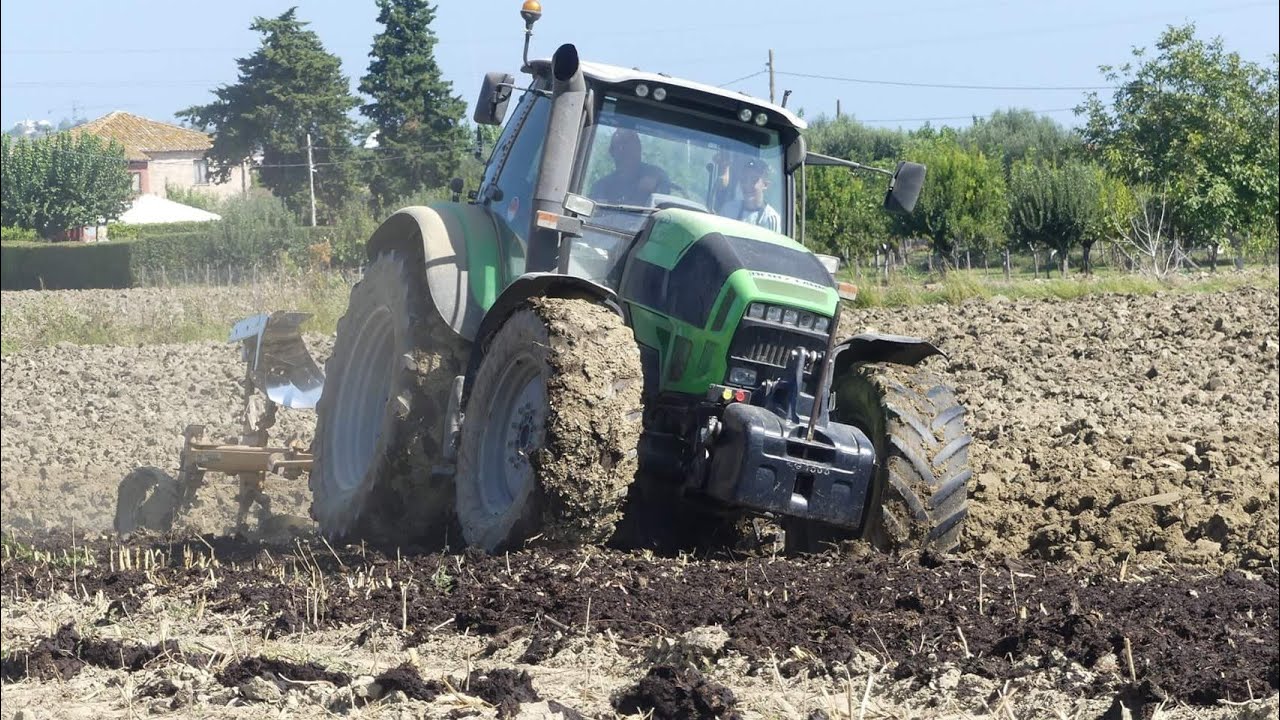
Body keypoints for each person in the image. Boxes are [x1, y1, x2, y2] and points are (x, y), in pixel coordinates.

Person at [590, 128, 671, 205]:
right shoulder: (601, 187)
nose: (625, 151)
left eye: (629, 145)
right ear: (612, 153)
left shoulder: (655, 176)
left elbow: (663, 210)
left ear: (639, 149)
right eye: (620, 147)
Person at [720, 158, 781, 232]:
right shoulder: (728, 210)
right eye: (744, 180)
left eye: (754, 180)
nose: (747, 185)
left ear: (765, 185)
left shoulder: (770, 218)